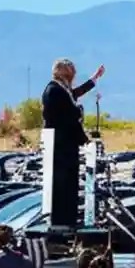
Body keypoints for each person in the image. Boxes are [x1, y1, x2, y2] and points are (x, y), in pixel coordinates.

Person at [41, 58, 104, 229]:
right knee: (63, 186)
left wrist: (93, 80)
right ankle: (63, 220)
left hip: (65, 146)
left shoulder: (60, 90)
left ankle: (68, 217)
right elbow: (69, 117)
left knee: (69, 184)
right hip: (62, 148)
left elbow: (74, 94)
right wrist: (84, 138)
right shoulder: (55, 91)